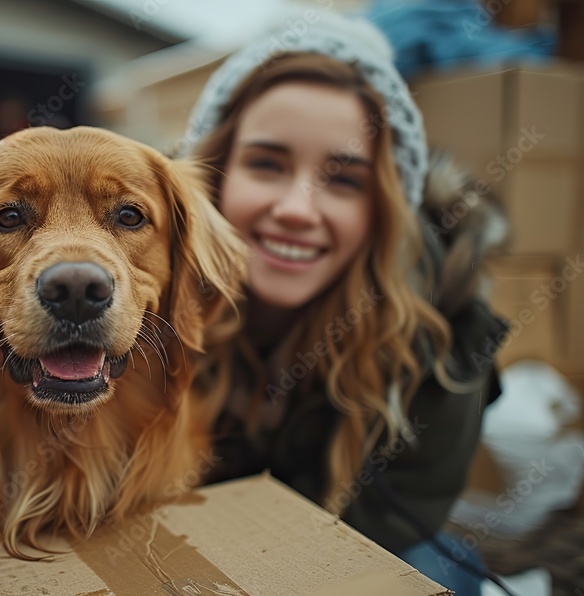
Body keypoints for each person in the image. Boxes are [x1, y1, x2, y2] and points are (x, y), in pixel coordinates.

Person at [183, 11, 508, 596]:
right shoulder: (140, 300)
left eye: (343, 179)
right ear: (214, 172)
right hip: (190, 550)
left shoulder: (443, 331)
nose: (298, 210)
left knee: (439, 570)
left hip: (331, 558)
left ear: (381, 207)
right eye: (266, 164)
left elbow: (387, 524)